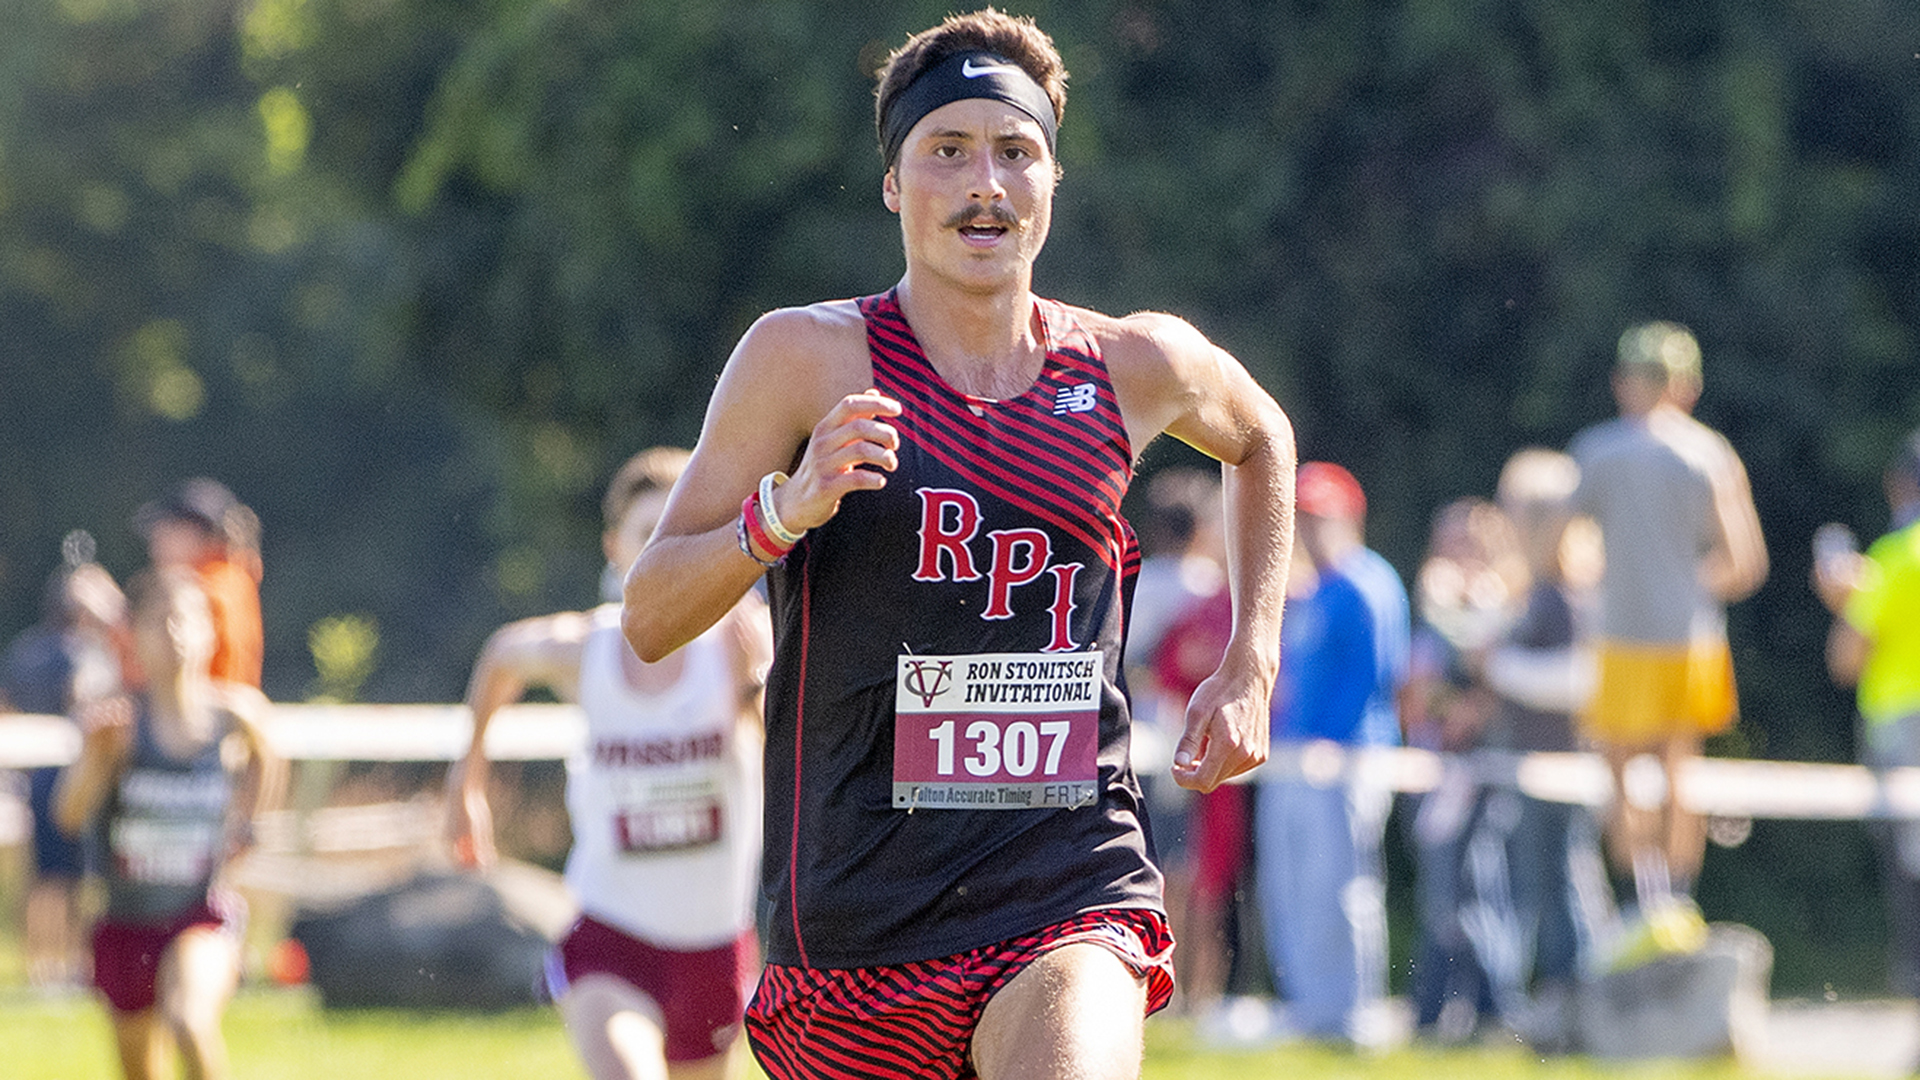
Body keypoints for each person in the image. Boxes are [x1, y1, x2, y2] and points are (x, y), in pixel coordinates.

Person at [621, 11, 1297, 1079]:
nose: (985, 184)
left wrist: (1252, 660)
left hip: (1066, 879)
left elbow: (1260, 439)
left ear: (1052, 180)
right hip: (855, 923)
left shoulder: (1131, 365)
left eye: (1014, 152)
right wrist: (784, 511)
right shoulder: (807, 358)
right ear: (894, 183)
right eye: (948, 151)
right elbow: (650, 615)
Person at [448, 447, 772, 1080]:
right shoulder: (588, 648)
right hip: (611, 934)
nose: (662, 549)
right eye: (646, 533)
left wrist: (754, 680)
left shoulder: (739, 645)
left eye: (679, 532)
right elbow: (503, 655)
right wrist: (468, 784)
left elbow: (787, 763)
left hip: (714, 940)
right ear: (614, 548)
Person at [55, 570, 284, 1080]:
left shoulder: (234, 716)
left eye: (186, 619)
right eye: (160, 621)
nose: (175, 634)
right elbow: (67, 815)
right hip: (125, 920)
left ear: (210, 632)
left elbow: (269, 754)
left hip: (198, 914)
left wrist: (250, 822)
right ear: (134, 635)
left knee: (189, 1019)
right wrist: (95, 758)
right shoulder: (117, 720)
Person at [1568, 321, 1767, 906]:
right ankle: (1678, 901)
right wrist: (1684, 584)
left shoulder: (1597, 450)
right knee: (1682, 770)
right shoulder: (1709, 454)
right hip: (1690, 639)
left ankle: (1637, 903)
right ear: (1687, 386)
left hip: (1618, 637)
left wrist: (1603, 575)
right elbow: (1744, 564)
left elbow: (1563, 548)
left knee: (1619, 773)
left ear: (1622, 382)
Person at [1253, 462, 1409, 1047]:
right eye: (1302, 519)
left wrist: (1332, 738)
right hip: (1295, 756)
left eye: (1320, 519)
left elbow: (1379, 675)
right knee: (1292, 888)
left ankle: (1353, 1014)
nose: (1309, 532)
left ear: (1349, 519)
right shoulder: (1312, 589)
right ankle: (1310, 1009)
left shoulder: (1367, 584)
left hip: (1346, 759)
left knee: (1342, 890)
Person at [1473, 448, 1612, 1050]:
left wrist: (1497, 666)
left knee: (1566, 889)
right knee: (1548, 889)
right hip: (1534, 766)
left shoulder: (1566, 596)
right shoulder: (1539, 594)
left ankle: (1585, 1015)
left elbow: (1582, 681)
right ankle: (1566, 1014)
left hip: (1564, 766)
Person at [1815, 429, 1920, 999]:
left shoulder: (1893, 558)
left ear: (1898, 485)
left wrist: (1845, 601)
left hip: (1900, 729)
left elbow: (1845, 659)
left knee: (1910, 875)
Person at [1, 542, 127, 992]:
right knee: (71, 876)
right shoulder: (87, 651)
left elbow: (6, 705)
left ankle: (44, 967)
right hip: (72, 773)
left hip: (34, 775)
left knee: (47, 876)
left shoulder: (26, 648)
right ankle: (67, 964)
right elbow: (85, 700)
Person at [137, 478, 265, 689]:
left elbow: (162, 671)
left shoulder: (200, 590)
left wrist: (115, 627)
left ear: (192, 532)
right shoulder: (235, 578)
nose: (154, 544)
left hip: (208, 704)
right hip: (230, 703)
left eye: (163, 531)